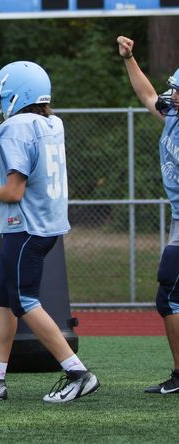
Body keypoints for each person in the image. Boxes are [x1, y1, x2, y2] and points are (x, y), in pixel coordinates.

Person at [0, 60, 99, 403]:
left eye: (2, 93)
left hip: (26, 227)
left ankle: (79, 372)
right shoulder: (51, 122)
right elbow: (27, 175)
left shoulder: (15, 127)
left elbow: (13, 193)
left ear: (17, 94)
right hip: (42, 223)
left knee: (23, 300)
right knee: (3, 300)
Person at [117, 35, 179, 394]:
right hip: (177, 218)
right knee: (171, 295)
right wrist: (130, 59)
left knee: (169, 295)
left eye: (177, 90)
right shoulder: (172, 115)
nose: (170, 95)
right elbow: (146, 95)